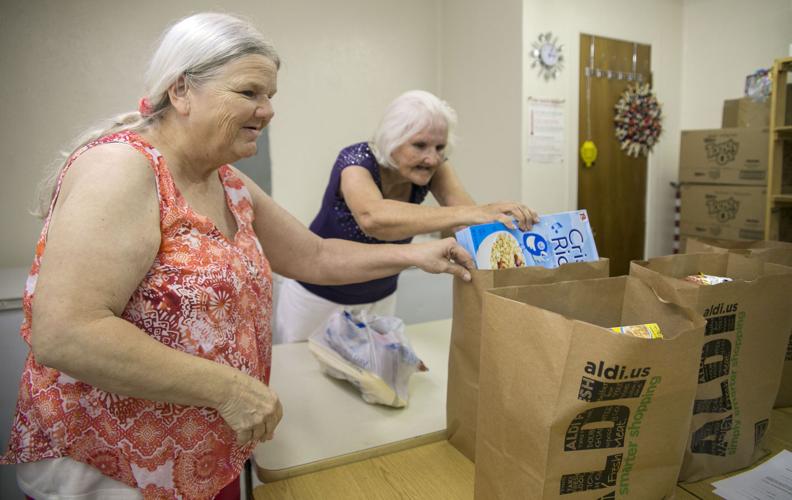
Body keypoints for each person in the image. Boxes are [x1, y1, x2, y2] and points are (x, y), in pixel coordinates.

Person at [0, 13, 474, 500]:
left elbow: (315, 255)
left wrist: (417, 257)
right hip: (114, 468)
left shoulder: (225, 180)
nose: (267, 111)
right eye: (249, 92)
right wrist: (229, 389)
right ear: (181, 91)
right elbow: (65, 333)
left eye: (270, 96)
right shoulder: (121, 168)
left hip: (206, 453)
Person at [274, 90, 538, 344]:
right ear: (392, 139)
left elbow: (468, 223)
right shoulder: (356, 161)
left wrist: (524, 247)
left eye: (440, 147)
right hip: (318, 298)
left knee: (374, 383)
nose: (432, 158)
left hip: (381, 296)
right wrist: (475, 212)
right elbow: (374, 220)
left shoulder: (434, 168)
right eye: (420, 145)